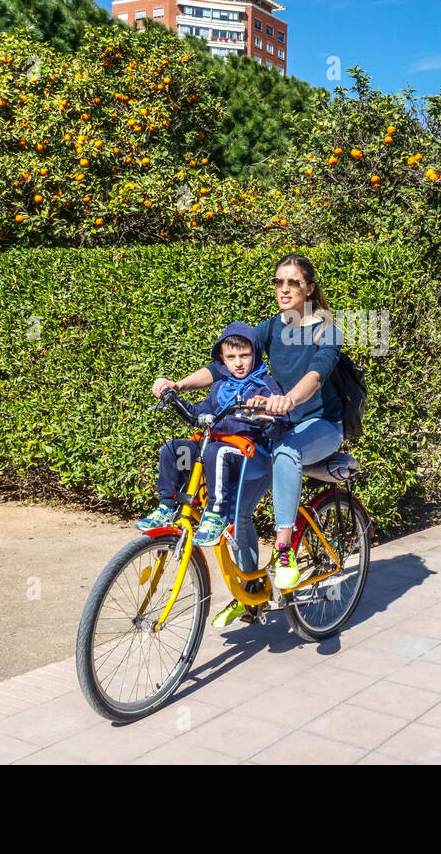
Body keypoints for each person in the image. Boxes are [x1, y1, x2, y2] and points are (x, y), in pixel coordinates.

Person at [152, 253, 345, 627]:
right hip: (277, 424)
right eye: (278, 282)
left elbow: (317, 376)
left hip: (318, 424)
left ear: (309, 288)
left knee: (287, 451)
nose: (284, 289)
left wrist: (289, 399)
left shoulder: (327, 330)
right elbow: (227, 358)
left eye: (292, 282)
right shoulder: (272, 326)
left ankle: (285, 552)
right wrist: (179, 384)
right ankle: (252, 597)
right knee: (237, 517)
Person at [137, 323, 288, 545]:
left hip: (252, 456)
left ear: (255, 354)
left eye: (245, 355)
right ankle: (168, 506)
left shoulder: (266, 386)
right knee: (173, 449)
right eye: (231, 357)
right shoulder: (220, 386)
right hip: (217, 451)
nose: (238, 363)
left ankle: (217, 515)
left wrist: (264, 412)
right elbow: (201, 413)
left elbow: (280, 427)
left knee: (216, 451)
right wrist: (173, 398)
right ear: (222, 359)